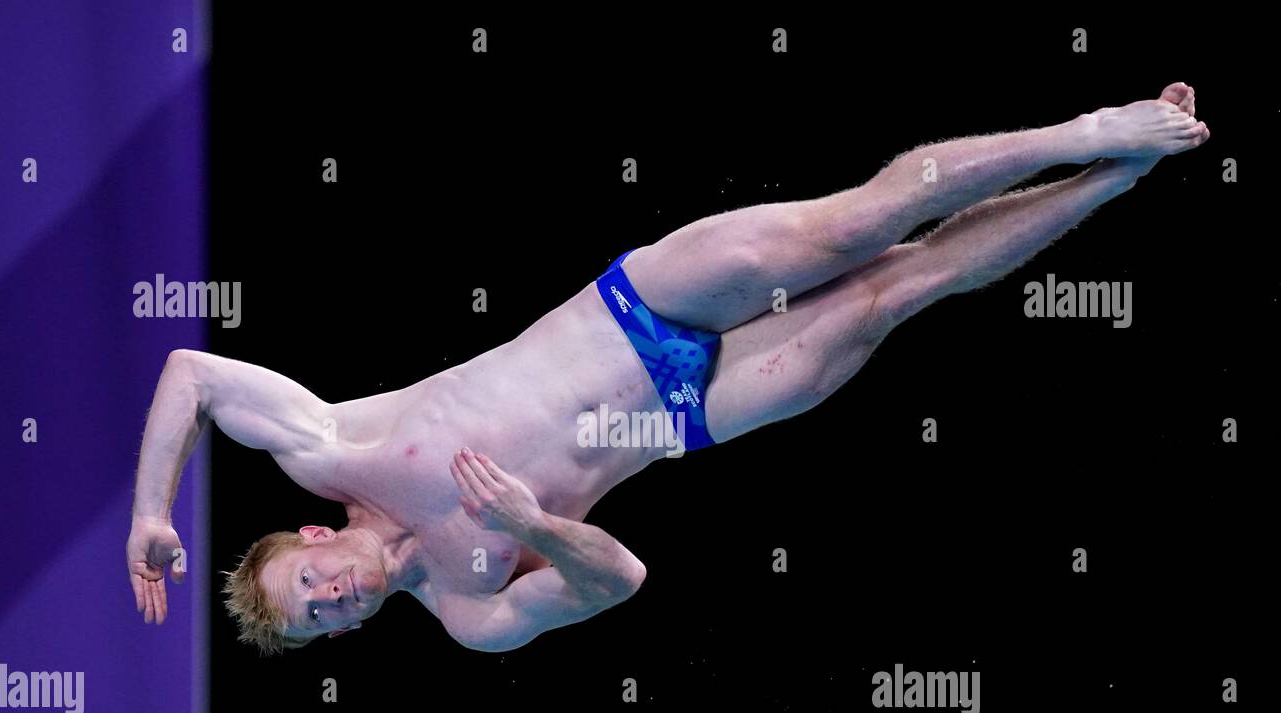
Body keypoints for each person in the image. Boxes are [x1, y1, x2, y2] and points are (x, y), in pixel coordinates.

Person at [127, 84, 1207, 653]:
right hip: (695, 410)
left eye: (306, 580)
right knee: (903, 287)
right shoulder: (471, 611)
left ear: (311, 538)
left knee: (859, 224)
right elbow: (621, 582)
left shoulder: (335, 449)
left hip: (634, 306)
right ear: (351, 630)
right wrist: (536, 525)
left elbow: (192, 372)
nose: (330, 595)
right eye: (323, 615)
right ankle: (1110, 181)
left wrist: (150, 513)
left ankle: (1085, 125)